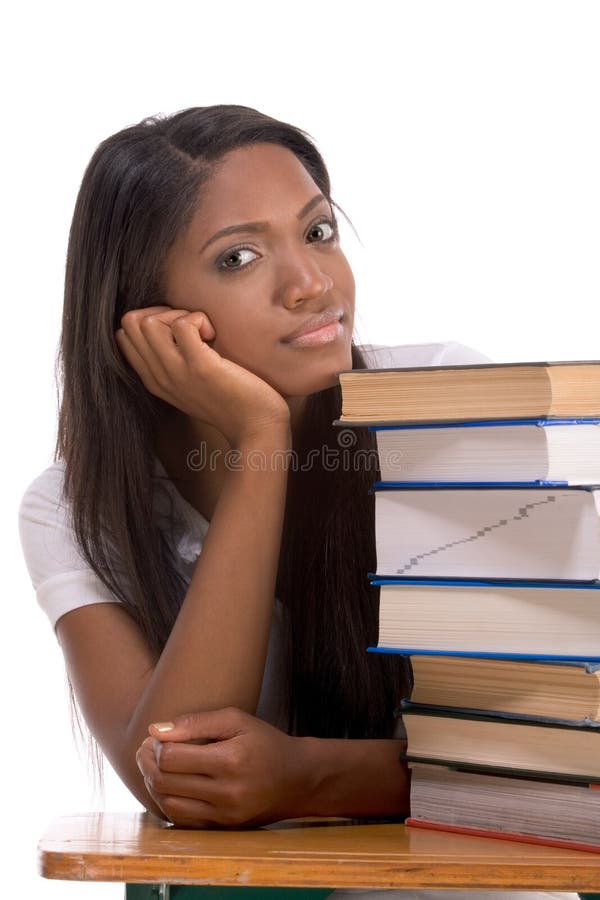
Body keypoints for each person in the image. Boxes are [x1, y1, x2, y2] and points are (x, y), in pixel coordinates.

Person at [18, 105, 577, 900]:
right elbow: (180, 780)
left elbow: (551, 753)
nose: (313, 284)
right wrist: (260, 441)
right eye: (240, 257)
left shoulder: (449, 408)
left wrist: (308, 778)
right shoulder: (75, 507)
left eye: (317, 232)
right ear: (148, 316)